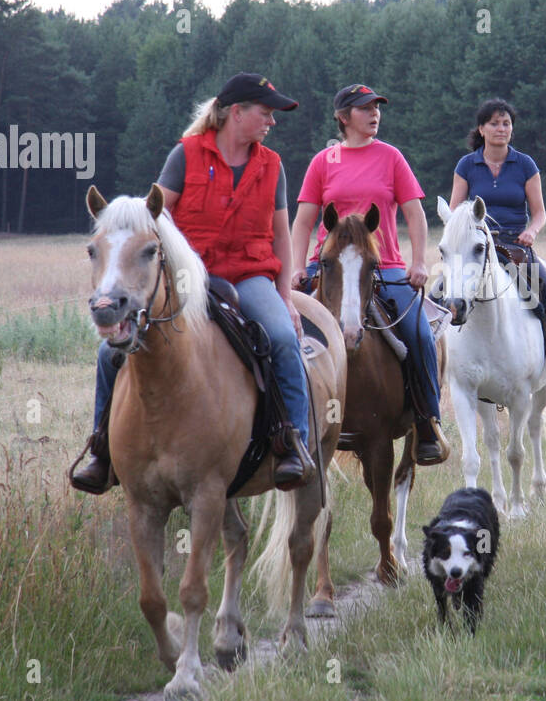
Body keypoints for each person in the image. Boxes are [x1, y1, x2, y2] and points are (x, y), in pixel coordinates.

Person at [71, 72, 315, 493]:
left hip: (250, 274)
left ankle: (293, 443)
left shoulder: (271, 165)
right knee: (108, 354)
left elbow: (280, 232)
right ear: (236, 113)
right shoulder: (185, 155)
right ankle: (101, 450)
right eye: (266, 112)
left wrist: (285, 298)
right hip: (189, 277)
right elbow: (154, 222)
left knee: (281, 337)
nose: (272, 121)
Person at [290, 83, 448, 465]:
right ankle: (283, 427)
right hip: (327, 265)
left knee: (419, 333)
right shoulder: (323, 162)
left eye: (377, 107)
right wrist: (297, 266)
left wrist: (419, 262)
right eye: (364, 108)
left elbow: (414, 214)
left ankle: (427, 423)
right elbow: (304, 221)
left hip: (385, 266)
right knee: (283, 330)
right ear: (344, 118)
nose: (374, 114)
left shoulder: (391, 157)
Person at [448, 98, 546, 400]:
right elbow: (456, 209)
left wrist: (531, 231)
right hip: (476, 246)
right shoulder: (466, 165)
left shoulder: (525, 164)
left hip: (515, 245)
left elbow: (539, 212)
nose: (501, 128)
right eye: (495, 123)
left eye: (506, 123)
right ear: (481, 129)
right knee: (438, 295)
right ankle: (439, 361)